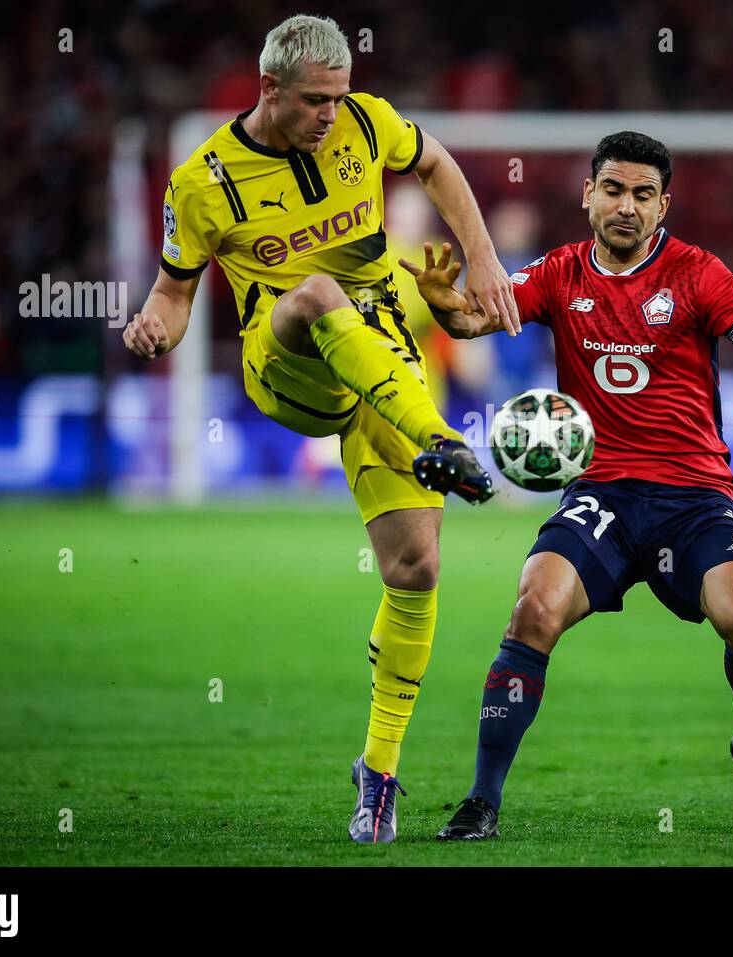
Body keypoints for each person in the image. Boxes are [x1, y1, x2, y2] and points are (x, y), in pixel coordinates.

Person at [123, 14, 519, 843]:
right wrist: (156, 324)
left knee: (415, 569)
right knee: (315, 294)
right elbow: (174, 289)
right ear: (269, 89)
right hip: (288, 360)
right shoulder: (201, 181)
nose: (332, 116)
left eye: (340, 99)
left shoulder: (368, 121)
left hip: (381, 356)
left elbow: (437, 162)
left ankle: (378, 771)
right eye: (314, 102)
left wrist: (482, 256)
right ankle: (441, 437)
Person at [401, 131, 733, 838]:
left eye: (644, 194)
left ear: (664, 205)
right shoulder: (560, 274)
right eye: (615, 189)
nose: (627, 206)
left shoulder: (700, 274)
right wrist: (446, 304)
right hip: (601, 496)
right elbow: (476, 318)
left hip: (694, 497)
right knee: (533, 607)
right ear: (588, 194)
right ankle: (482, 800)